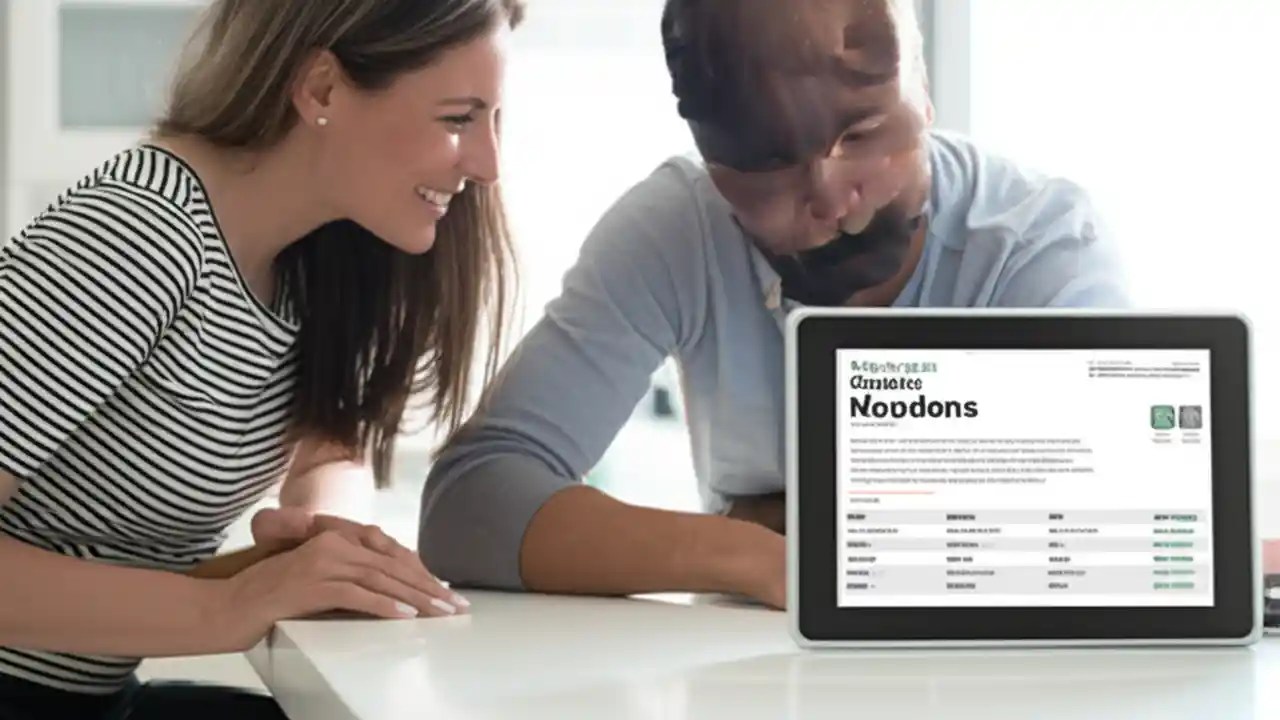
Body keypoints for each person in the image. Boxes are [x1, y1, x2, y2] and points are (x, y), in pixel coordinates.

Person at [417, 0, 1136, 609]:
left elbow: (1102, 540)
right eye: (769, 164)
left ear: (922, 91)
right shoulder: (678, 229)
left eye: (861, 134)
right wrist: (748, 553)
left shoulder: (1038, 245)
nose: (829, 196)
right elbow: (469, 503)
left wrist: (786, 521)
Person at [0, 0, 523, 717]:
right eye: (458, 118)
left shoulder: (306, 256)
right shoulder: (142, 235)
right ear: (322, 91)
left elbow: (327, 452)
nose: (490, 164)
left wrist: (321, 540)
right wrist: (228, 605)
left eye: (495, 119)